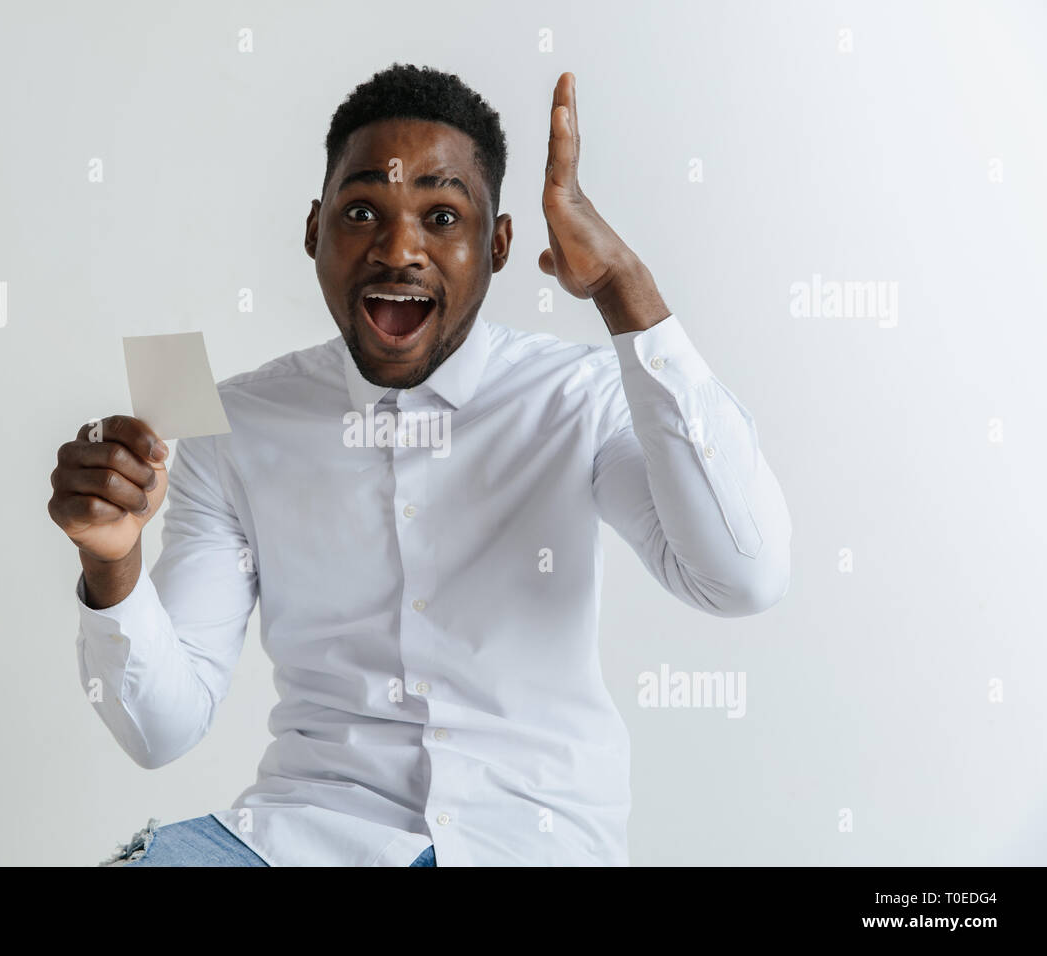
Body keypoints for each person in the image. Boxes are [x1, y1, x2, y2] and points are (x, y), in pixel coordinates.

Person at [47, 64, 792, 867]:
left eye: (443, 215)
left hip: (529, 840)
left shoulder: (575, 397)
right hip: (305, 837)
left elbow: (740, 577)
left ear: (499, 246)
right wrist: (111, 562)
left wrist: (622, 286)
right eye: (363, 211)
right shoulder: (236, 428)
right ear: (313, 231)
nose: (399, 250)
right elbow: (161, 728)